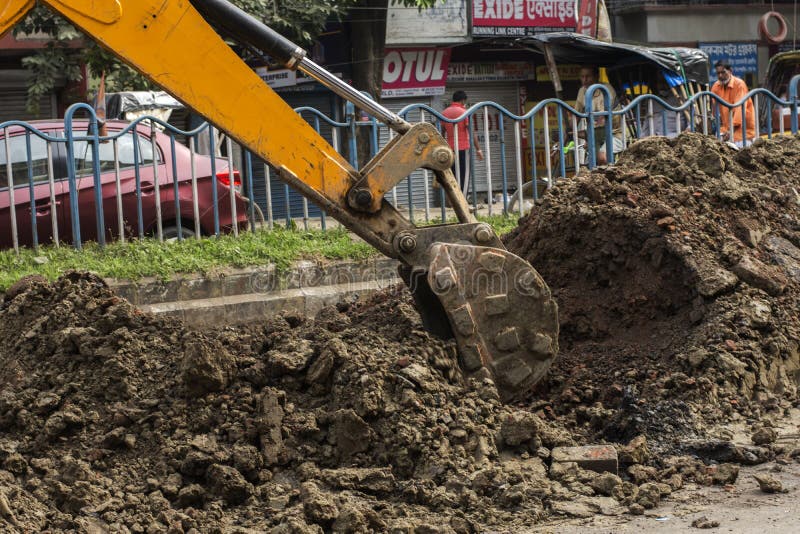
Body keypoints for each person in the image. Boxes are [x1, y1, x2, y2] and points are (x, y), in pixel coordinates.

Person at [574, 65, 619, 164]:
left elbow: (603, 120)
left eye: (588, 76)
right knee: (589, 164)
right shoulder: (582, 91)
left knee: (602, 158)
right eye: (582, 77)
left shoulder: (606, 89)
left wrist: (585, 134)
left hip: (615, 133)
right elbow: (576, 115)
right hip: (595, 135)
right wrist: (568, 133)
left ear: (596, 76)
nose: (584, 80)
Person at [441, 90, 483, 193]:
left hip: (450, 149)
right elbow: (471, 132)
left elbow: (441, 133)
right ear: (463, 100)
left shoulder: (445, 112)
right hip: (463, 149)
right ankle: (462, 200)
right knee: (464, 175)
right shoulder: (464, 113)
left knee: (452, 175)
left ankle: (453, 200)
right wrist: (478, 150)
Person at [710, 60, 755, 147]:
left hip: (742, 132)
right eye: (718, 73)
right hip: (726, 129)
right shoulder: (716, 86)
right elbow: (713, 109)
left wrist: (731, 130)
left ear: (730, 71)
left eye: (723, 72)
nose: (720, 76)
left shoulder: (739, 84)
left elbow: (739, 110)